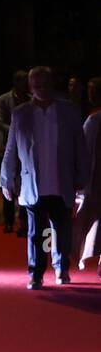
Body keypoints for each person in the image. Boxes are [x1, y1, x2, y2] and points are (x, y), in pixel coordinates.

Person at [1, 66, 90, 289]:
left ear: (52, 84)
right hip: (33, 184)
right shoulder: (20, 113)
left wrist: (82, 175)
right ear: (30, 87)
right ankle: (36, 273)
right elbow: (11, 149)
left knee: (63, 230)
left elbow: (81, 146)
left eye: (45, 84)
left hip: (63, 182)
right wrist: (6, 180)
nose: (41, 89)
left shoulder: (69, 111)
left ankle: (61, 268)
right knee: (36, 233)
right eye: (36, 85)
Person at [0, 71, 31, 235]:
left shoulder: (31, 99)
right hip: (8, 146)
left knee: (25, 182)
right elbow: (0, 122)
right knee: (7, 183)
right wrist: (17, 131)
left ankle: (23, 221)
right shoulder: (3, 100)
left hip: (25, 148)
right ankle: (8, 220)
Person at [72, 77, 101, 274]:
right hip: (96, 177)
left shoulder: (93, 120)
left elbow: (83, 151)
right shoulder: (92, 119)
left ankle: (80, 254)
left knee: (90, 217)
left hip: (96, 178)